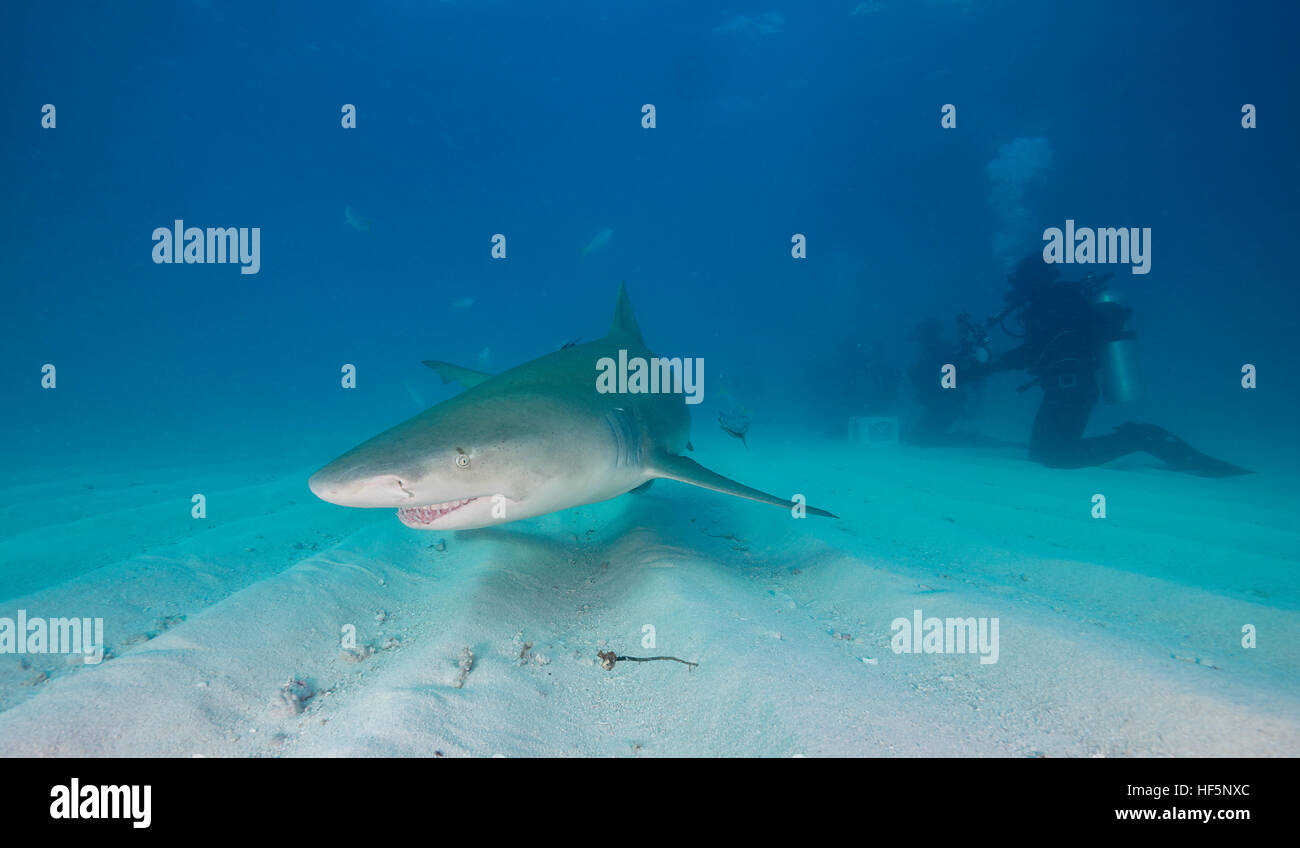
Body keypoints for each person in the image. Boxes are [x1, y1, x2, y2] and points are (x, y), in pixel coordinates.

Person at [979, 255, 1250, 476]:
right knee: (1043, 453)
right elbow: (1041, 350)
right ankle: (1139, 438)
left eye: (1020, 282)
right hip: (1067, 387)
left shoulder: (1054, 305)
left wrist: (995, 363)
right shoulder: (1058, 301)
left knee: (1055, 455)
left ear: (1033, 281)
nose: (1015, 290)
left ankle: (1140, 438)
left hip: (1072, 388)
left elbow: (1034, 351)